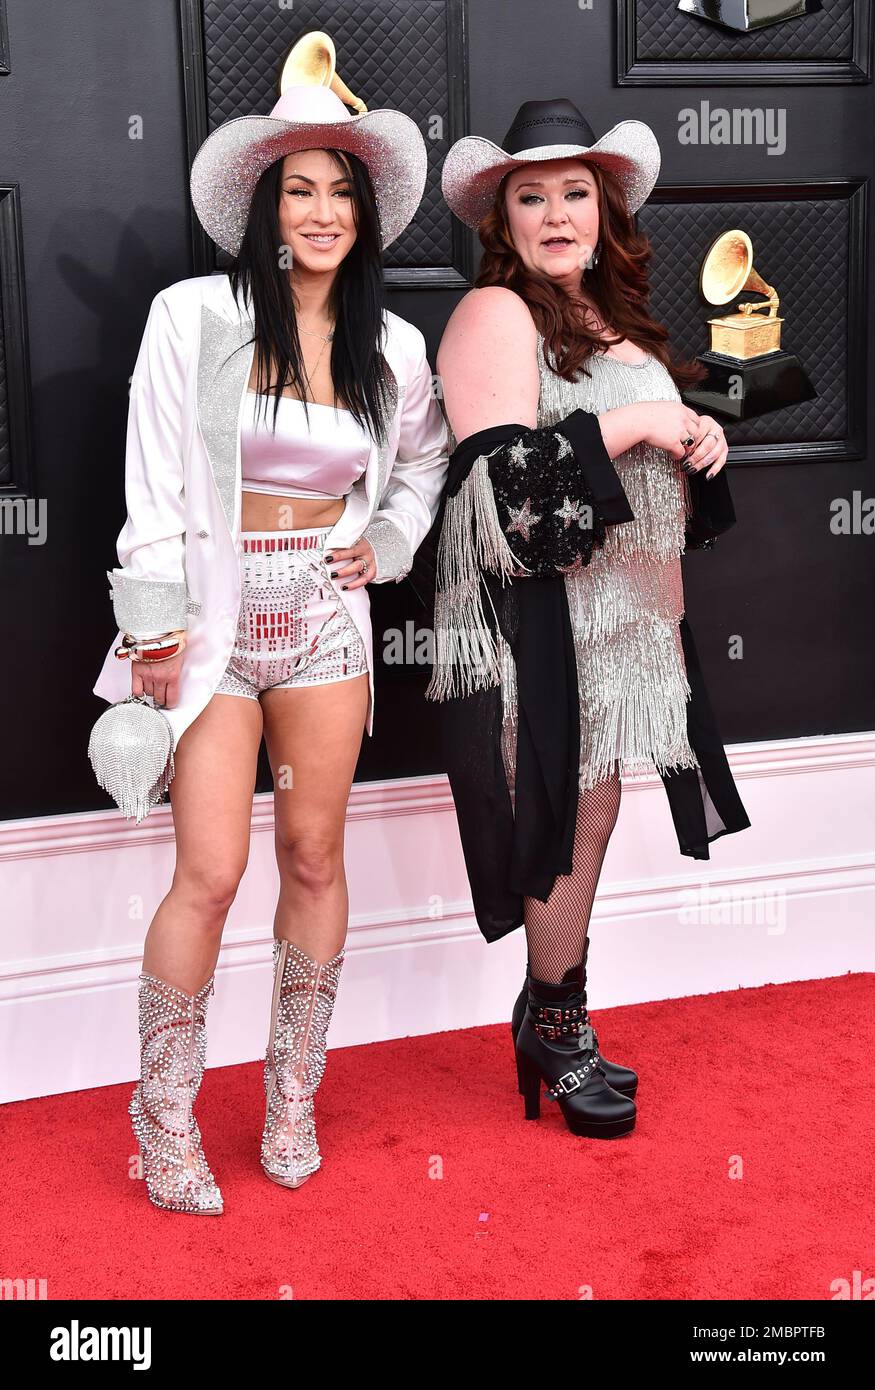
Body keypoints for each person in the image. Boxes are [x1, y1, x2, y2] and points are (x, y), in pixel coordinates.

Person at [91, 33, 448, 1211]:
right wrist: (149, 631)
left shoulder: (391, 345)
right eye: (299, 189)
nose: (321, 211)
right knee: (211, 867)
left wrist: (387, 541)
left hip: (324, 621)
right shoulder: (190, 316)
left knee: (311, 854)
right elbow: (150, 482)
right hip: (207, 623)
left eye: (340, 192)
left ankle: (291, 1099)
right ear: (263, 203)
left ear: (365, 211)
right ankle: (165, 1121)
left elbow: (424, 467)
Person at [426, 98, 750, 1140]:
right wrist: (644, 417)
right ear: (502, 219)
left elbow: (636, 452)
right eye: (533, 197)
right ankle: (556, 1027)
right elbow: (502, 491)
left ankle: (551, 1007)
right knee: (559, 814)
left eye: (576, 194)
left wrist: (694, 439)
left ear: (602, 212)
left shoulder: (616, 319)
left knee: (595, 810)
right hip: (544, 616)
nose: (556, 214)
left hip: (624, 616)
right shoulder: (494, 314)